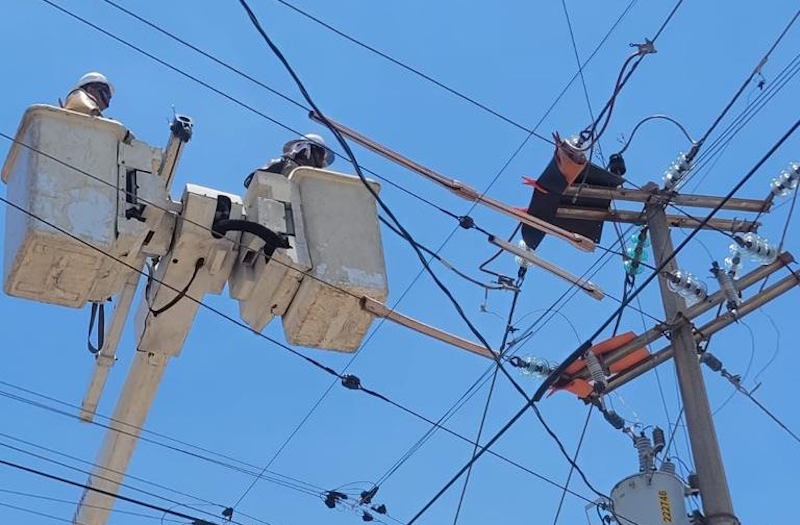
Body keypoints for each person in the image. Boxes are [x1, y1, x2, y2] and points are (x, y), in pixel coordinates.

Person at [244, 133, 334, 188]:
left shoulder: (320, 178)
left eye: (321, 155)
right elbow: (251, 181)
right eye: (318, 153)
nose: (319, 158)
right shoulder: (282, 164)